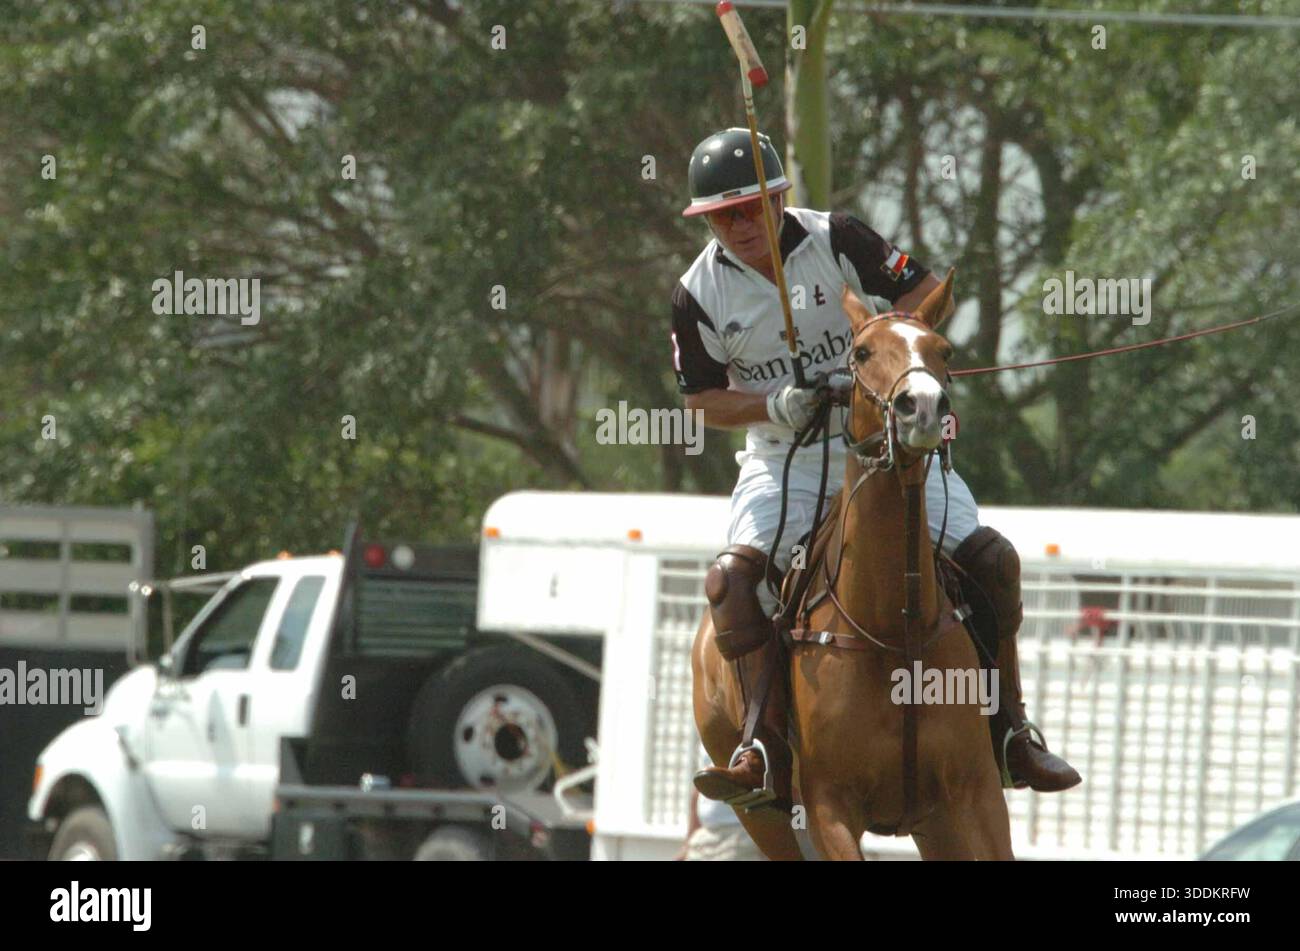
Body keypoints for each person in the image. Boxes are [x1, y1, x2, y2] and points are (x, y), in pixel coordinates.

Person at [671, 128, 1081, 812]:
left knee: (993, 559)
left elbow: (921, 292)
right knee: (734, 581)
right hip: (787, 458)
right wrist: (775, 401)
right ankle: (760, 745)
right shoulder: (697, 292)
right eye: (724, 214)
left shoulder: (838, 237)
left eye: (753, 206)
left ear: (779, 198)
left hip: (885, 446)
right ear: (707, 220)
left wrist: (881, 361)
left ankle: (1011, 727)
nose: (741, 224)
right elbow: (702, 402)